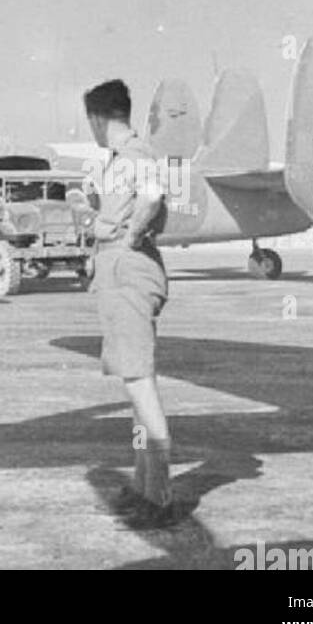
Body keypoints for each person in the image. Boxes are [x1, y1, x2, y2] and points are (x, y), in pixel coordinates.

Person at [80, 79, 175, 526]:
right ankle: (143, 488)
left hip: (128, 268)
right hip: (120, 269)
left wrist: (133, 232)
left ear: (98, 119)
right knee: (135, 386)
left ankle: (158, 497)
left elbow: (153, 197)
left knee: (140, 384)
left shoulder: (134, 155)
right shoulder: (125, 158)